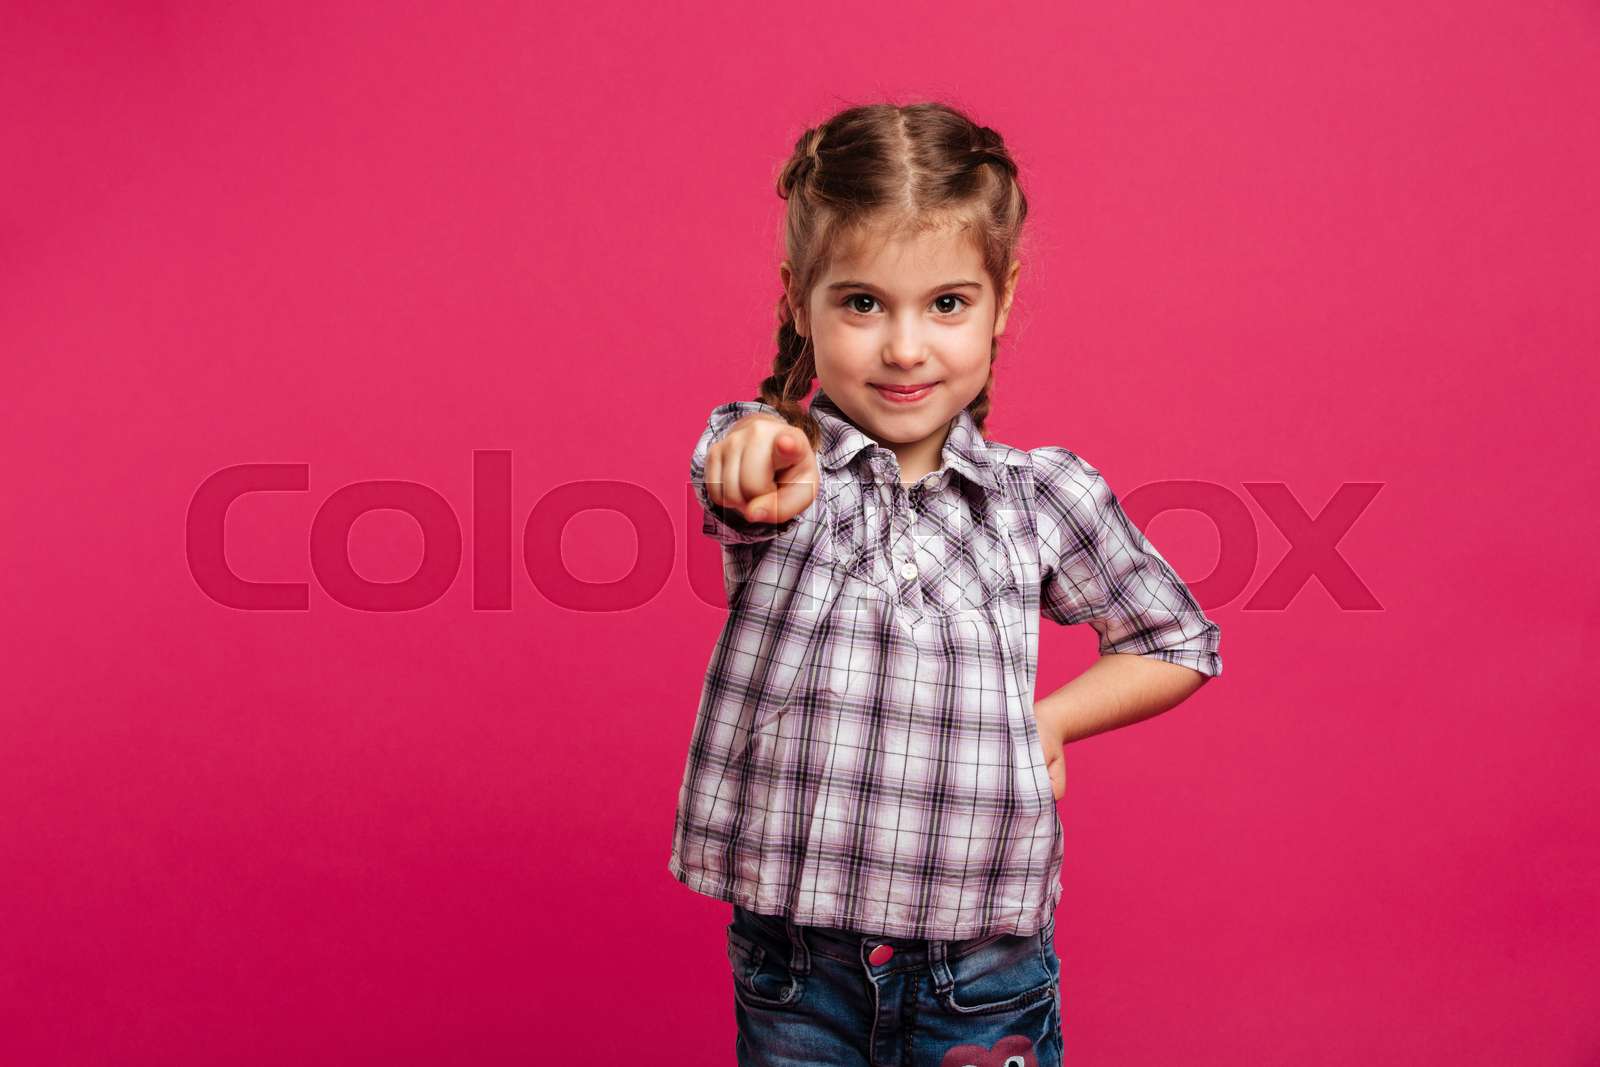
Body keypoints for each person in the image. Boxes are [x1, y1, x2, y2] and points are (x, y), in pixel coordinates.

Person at [667, 100, 1223, 1067]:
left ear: (1003, 300)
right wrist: (762, 451)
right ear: (799, 299)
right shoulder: (786, 463)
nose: (906, 348)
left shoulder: (1043, 494)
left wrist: (1044, 725)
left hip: (985, 967)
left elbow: (1177, 642)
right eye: (863, 302)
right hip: (798, 969)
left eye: (948, 304)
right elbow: (740, 468)